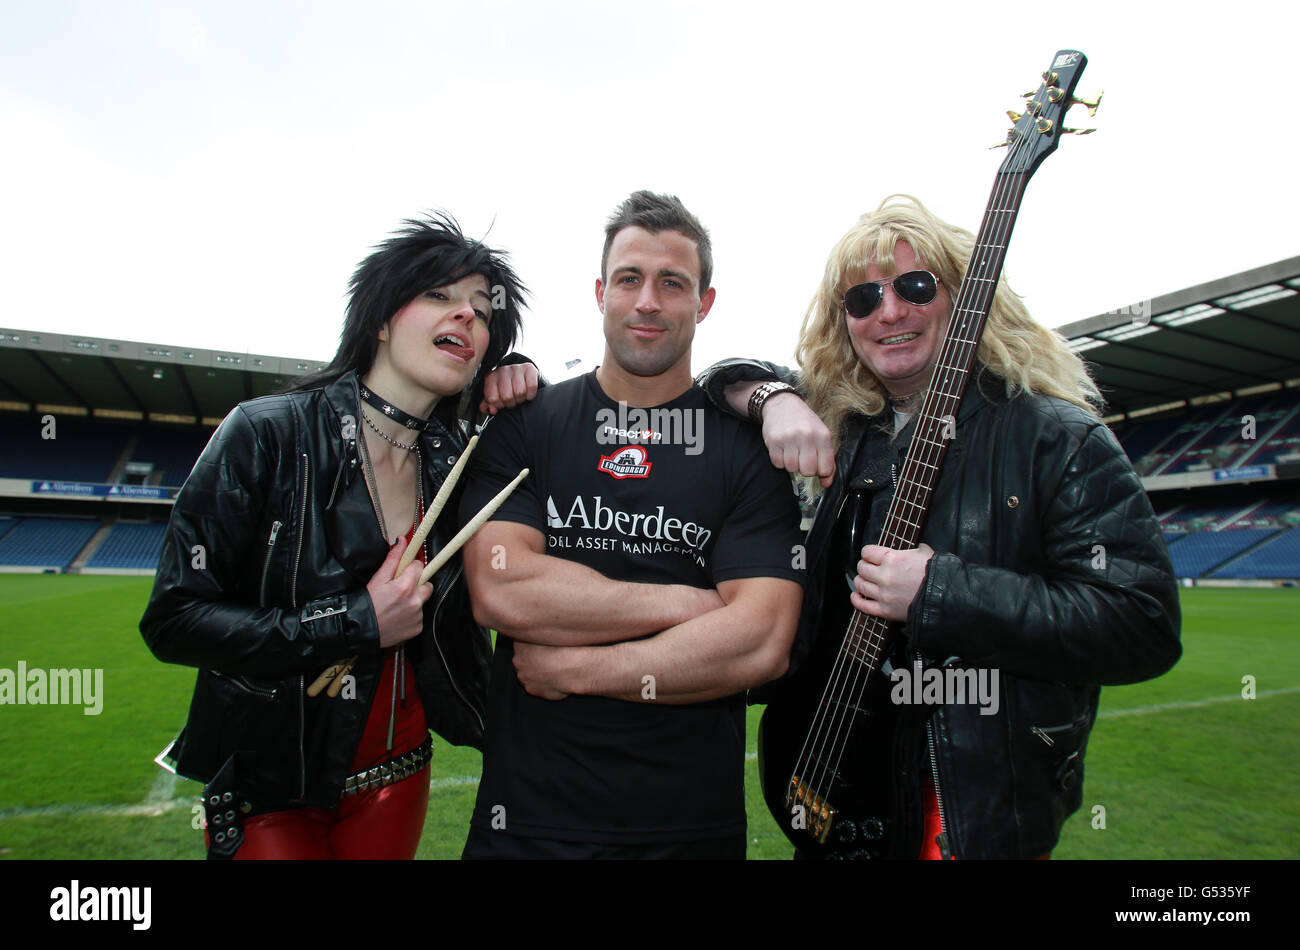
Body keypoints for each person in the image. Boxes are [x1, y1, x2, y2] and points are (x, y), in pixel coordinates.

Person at [696, 194, 1182, 860]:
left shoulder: (1058, 438)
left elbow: (1142, 622)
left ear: (966, 296)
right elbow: (713, 382)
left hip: (962, 808)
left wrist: (942, 593)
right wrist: (773, 398)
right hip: (831, 772)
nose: (889, 311)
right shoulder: (852, 421)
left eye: (914, 287)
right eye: (863, 299)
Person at [140, 213, 534, 859]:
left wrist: (521, 378)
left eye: (484, 313)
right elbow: (174, 620)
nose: (467, 316)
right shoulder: (266, 434)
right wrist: (354, 622)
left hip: (399, 774)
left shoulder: (460, 461)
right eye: (438, 295)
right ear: (380, 318)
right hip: (271, 786)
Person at [456, 190, 806, 859]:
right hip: (527, 829)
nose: (648, 301)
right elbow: (502, 591)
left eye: (672, 283)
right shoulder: (526, 426)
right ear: (600, 293)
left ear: (703, 303)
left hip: (688, 833)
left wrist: (580, 670)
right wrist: (693, 604)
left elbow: (759, 643)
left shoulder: (746, 449)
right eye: (630, 279)